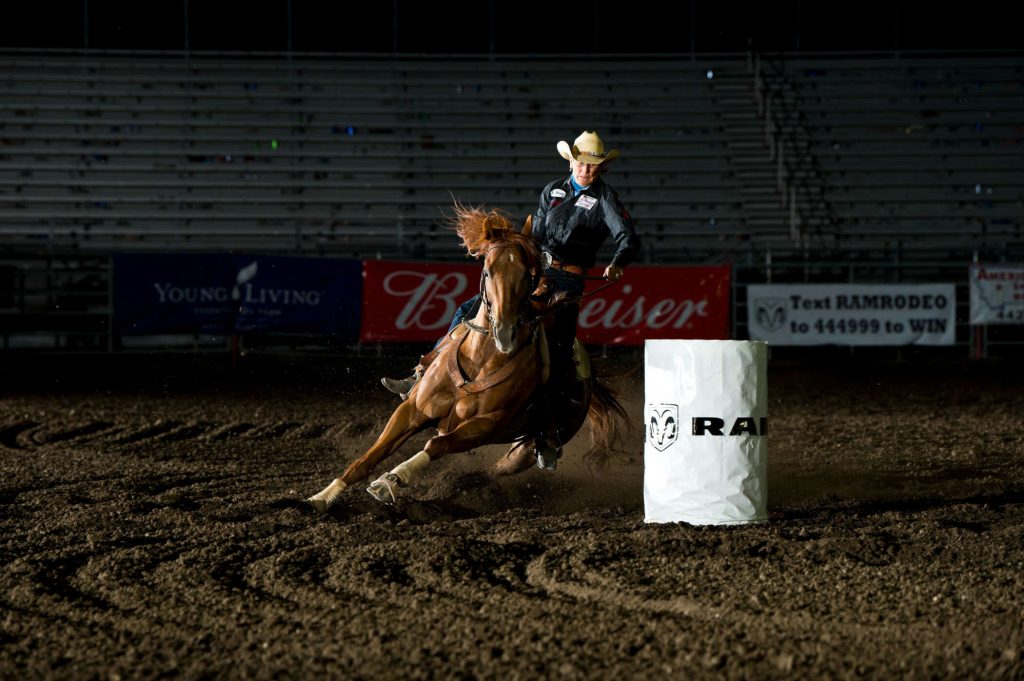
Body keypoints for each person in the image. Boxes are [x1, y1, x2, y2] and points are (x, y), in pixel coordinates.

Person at [382, 130, 640, 467]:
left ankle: (545, 430)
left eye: (592, 166)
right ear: (572, 161)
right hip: (537, 272)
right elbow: (536, 230)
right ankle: (422, 371)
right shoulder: (554, 190)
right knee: (469, 310)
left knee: (557, 345)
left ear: (600, 169)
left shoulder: (605, 199)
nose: (585, 170)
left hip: (569, 280)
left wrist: (618, 263)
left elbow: (627, 237)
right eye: (581, 163)